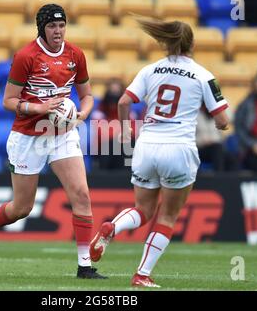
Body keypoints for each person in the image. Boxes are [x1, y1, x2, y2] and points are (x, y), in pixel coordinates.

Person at [0, 4, 106, 279]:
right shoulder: (26, 56)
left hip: (62, 134)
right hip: (28, 136)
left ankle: (84, 267)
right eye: (52, 26)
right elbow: (8, 101)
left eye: (62, 25)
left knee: (81, 194)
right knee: (22, 208)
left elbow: (88, 95)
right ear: (42, 28)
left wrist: (82, 114)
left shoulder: (75, 54)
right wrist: (40, 109)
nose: (58, 31)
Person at [90, 18, 229, 287]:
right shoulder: (203, 75)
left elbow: (123, 101)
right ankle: (141, 274)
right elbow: (222, 121)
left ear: (166, 43)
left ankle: (111, 228)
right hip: (179, 148)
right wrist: (221, 122)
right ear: (192, 44)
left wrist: (125, 129)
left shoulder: (150, 70)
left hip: (146, 145)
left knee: (142, 210)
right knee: (167, 216)